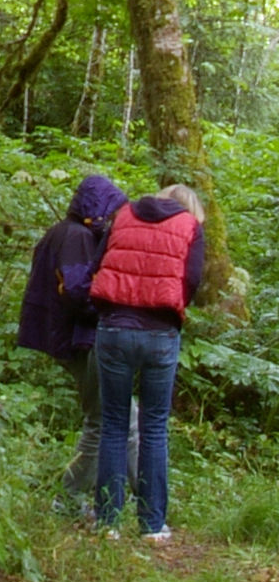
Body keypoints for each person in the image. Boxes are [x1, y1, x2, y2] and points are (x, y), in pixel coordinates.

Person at [91, 183, 206, 540]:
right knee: (154, 428)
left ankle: (107, 522)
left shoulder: (123, 215)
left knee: (113, 424)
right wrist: (172, 309)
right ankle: (152, 525)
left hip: (114, 327)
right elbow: (193, 279)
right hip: (160, 331)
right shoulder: (190, 226)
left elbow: (99, 263)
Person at [17, 174, 127, 505]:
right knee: (103, 419)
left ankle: (134, 493)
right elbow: (78, 293)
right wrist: (115, 306)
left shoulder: (61, 231)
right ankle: (67, 497)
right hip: (78, 340)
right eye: (111, 211)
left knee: (120, 417)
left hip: (65, 336)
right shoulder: (77, 237)